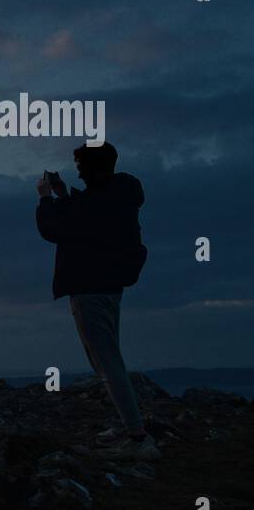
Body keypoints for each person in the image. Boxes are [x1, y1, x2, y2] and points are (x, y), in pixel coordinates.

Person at [35, 142, 157, 457]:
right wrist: (64, 193)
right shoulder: (118, 194)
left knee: (106, 362)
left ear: (94, 166)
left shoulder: (97, 202)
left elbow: (55, 228)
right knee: (107, 358)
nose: (78, 170)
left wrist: (45, 197)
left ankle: (137, 439)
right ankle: (129, 427)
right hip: (108, 285)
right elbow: (86, 214)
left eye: (80, 164)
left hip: (89, 286)